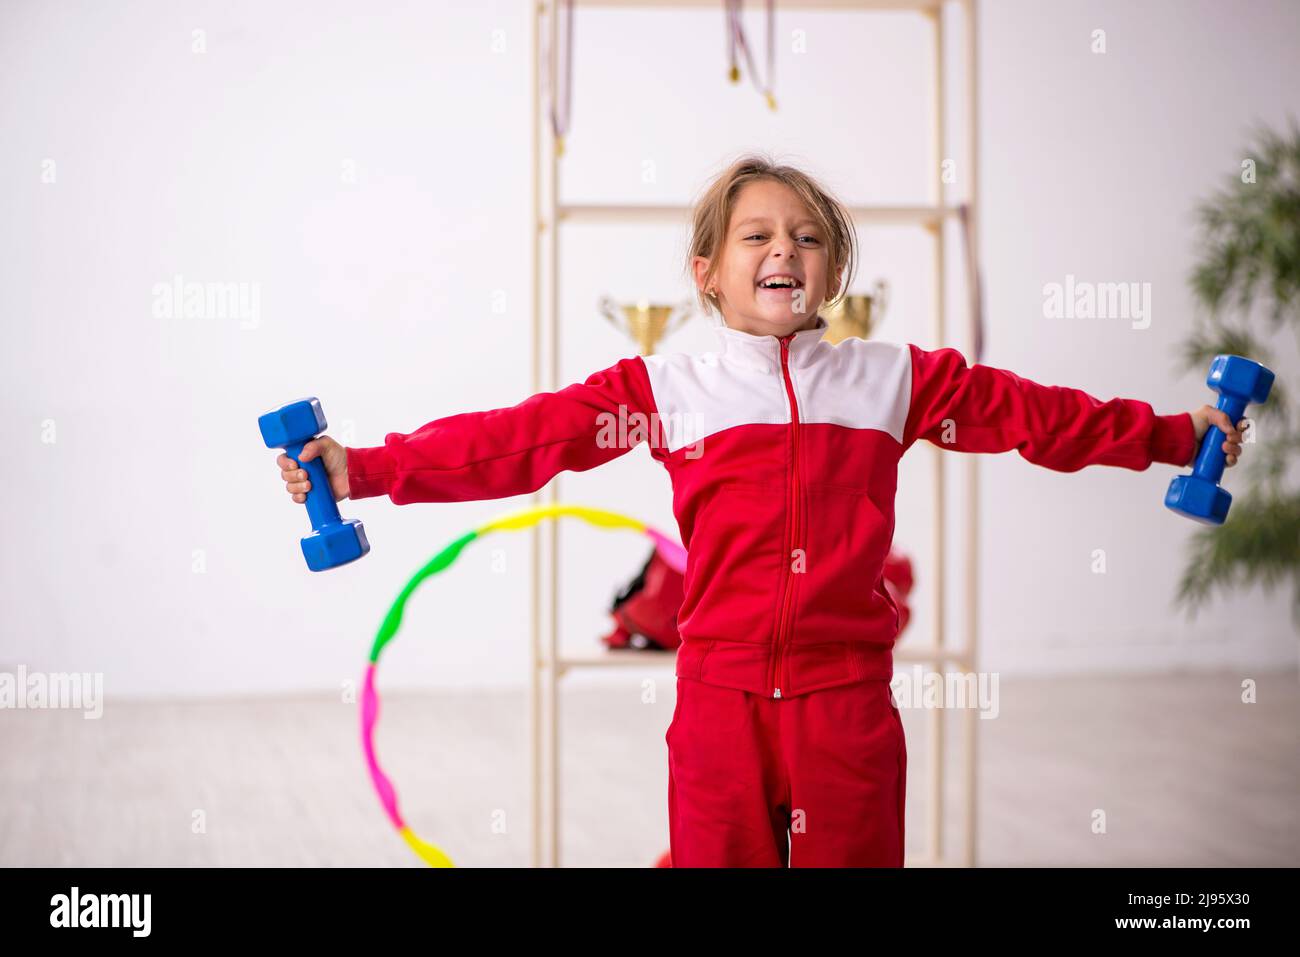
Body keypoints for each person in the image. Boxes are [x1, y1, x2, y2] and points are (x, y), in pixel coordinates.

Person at [273, 155, 1248, 867]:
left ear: (831, 274)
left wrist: (1176, 436)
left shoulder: (894, 381)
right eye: (757, 235)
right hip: (720, 702)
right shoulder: (666, 390)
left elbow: (1037, 419)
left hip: (845, 706)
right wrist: (363, 469)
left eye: (809, 237)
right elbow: (521, 442)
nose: (785, 248)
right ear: (707, 272)